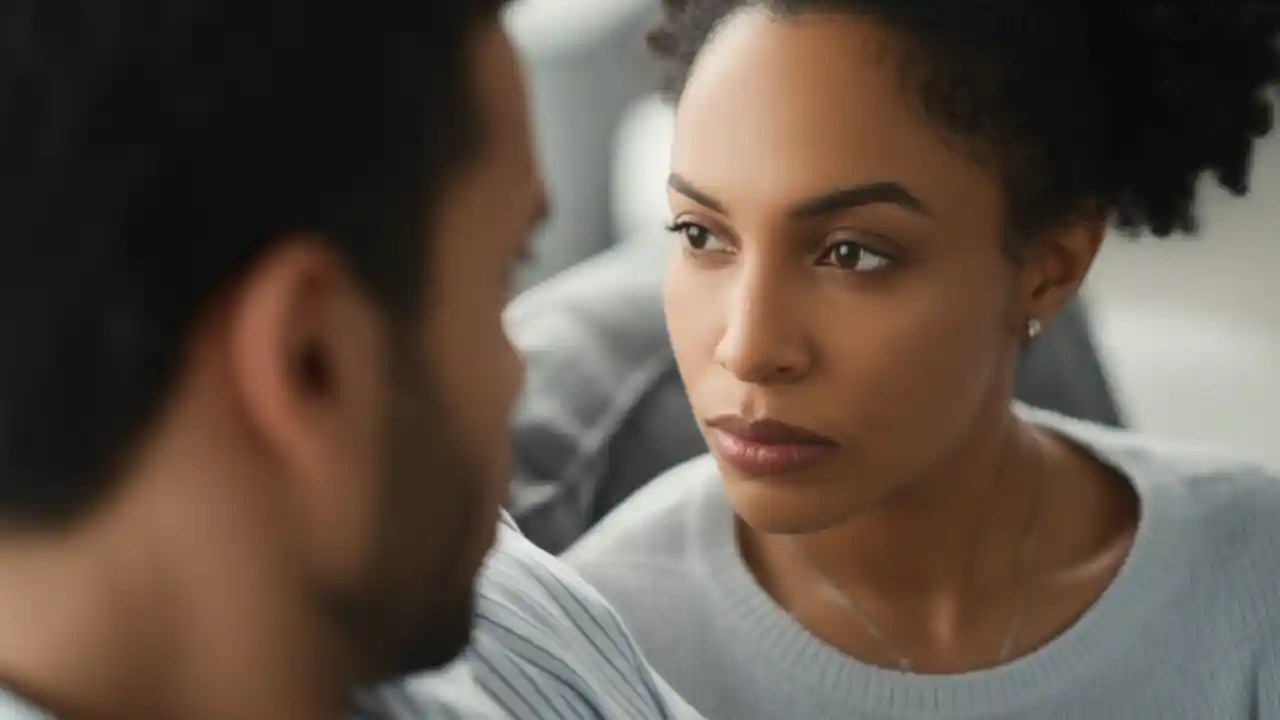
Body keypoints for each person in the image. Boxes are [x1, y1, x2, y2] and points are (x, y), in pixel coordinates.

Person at [566, 2, 1280, 718]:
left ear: (1049, 268)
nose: (748, 349)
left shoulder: (1255, 584)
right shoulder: (596, 646)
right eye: (700, 234)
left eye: (852, 253)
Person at [0, 1, 697, 718]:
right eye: (503, 274)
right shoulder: (457, 588)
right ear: (313, 363)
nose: (521, 373)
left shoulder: (509, 617)